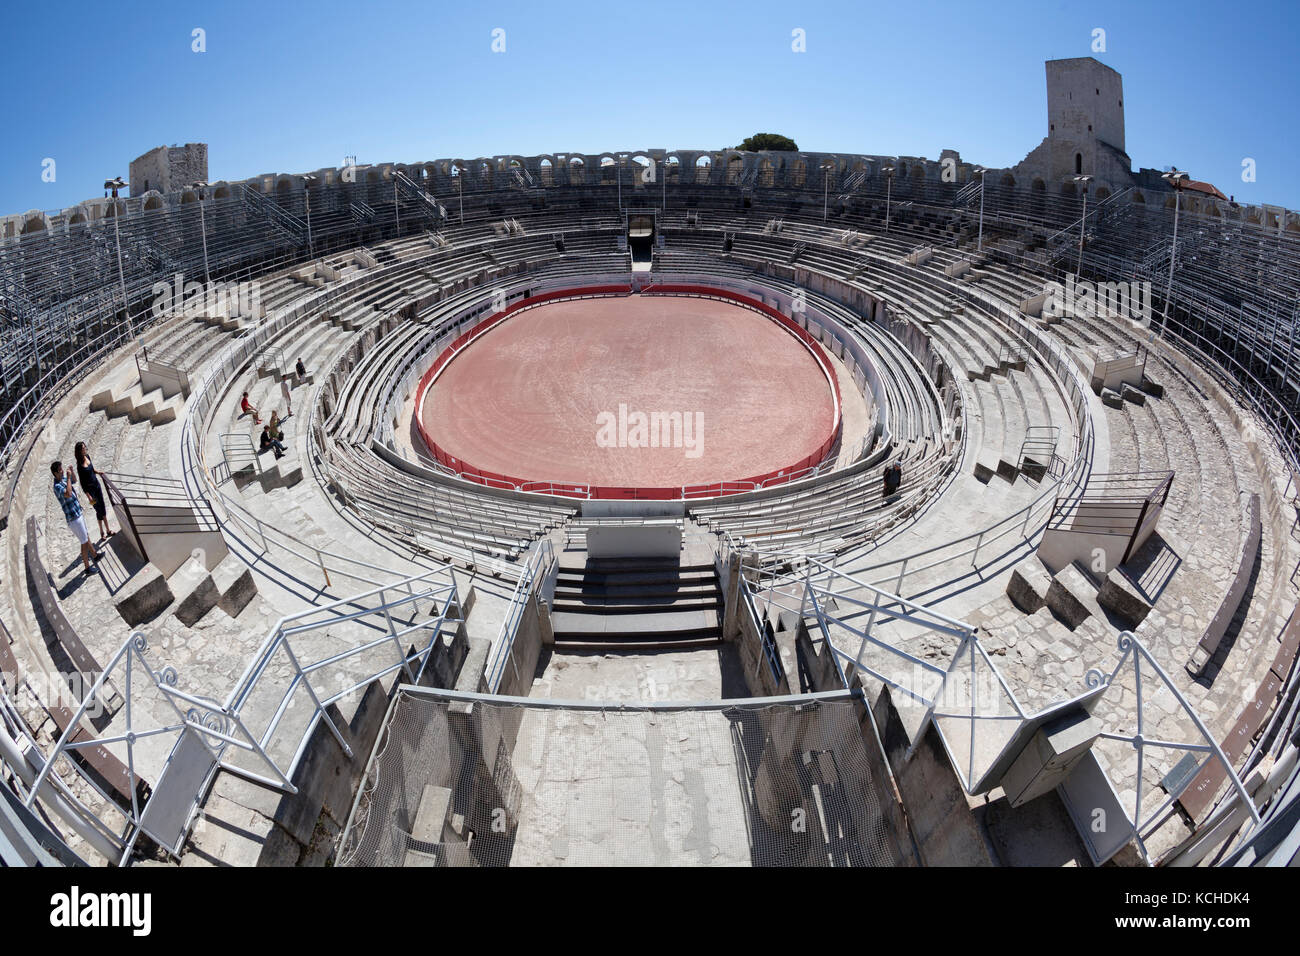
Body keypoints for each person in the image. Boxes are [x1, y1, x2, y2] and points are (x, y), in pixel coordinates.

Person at [51, 461, 101, 574]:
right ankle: (87, 568)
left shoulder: (63, 479)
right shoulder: (57, 486)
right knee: (83, 542)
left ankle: (95, 555)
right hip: (73, 518)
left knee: (86, 535)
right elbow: (68, 493)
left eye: (61, 469)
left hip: (78, 512)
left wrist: (72, 473)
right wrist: (68, 477)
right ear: (55, 473)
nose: (62, 471)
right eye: (60, 470)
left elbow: (74, 481)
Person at [74, 441, 114, 542]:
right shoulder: (79, 466)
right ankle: (102, 532)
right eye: (83, 448)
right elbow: (82, 483)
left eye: (85, 447)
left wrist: (98, 472)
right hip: (90, 493)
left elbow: (92, 469)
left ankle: (108, 530)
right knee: (98, 510)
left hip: (97, 486)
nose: (85, 449)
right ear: (79, 451)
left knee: (103, 507)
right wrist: (88, 496)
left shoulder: (87, 456)